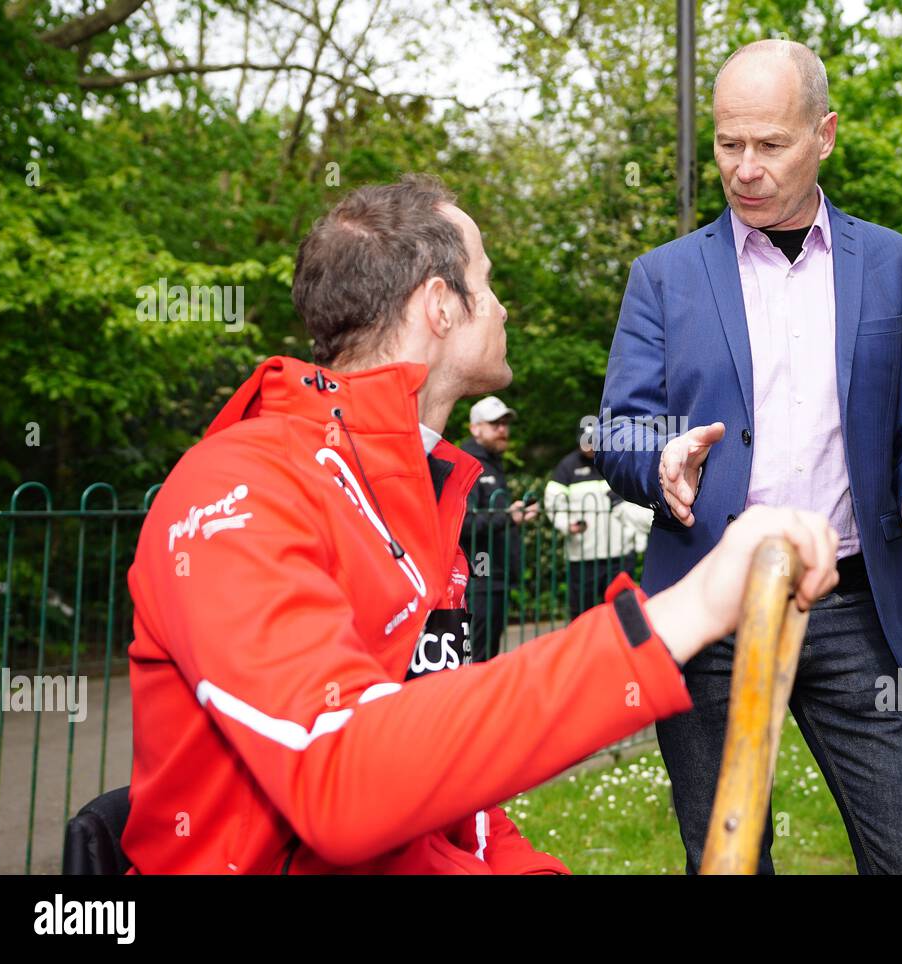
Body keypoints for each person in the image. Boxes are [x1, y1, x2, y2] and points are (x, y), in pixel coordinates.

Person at [121, 173, 841, 874]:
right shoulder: (237, 488)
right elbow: (341, 777)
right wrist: (691, 608)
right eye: (487, 283)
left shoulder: (418, 500)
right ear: (439, 305)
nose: (501, 309)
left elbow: (458, 809)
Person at [597, 40, 902, 874]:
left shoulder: (898, 267)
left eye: (770, 144)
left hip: (853, 604)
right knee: (726, 859)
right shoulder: (662, 278)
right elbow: (617, 431)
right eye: (729, 144)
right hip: (706, 606)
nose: (745, 168)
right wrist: (659, 460)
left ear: (825, 134)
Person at [544, 418, 653, 620]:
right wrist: (566, 525)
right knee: (581, 615)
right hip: (582, 556)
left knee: (621, 614)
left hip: (619, 553)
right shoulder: (567, 466)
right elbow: (553, 504)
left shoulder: (618, 462)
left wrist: (637, 539)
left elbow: (638, 505)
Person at [460, 396, 538, 661]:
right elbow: (463, 522)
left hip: (496, 577)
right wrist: (509, 517)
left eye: (505, 423)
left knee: (488, 653)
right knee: (476, 655)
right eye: (495, 424)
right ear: (475, 428)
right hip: (478, 578)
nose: (503, 429)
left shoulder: (493, 463)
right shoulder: (467, 463)